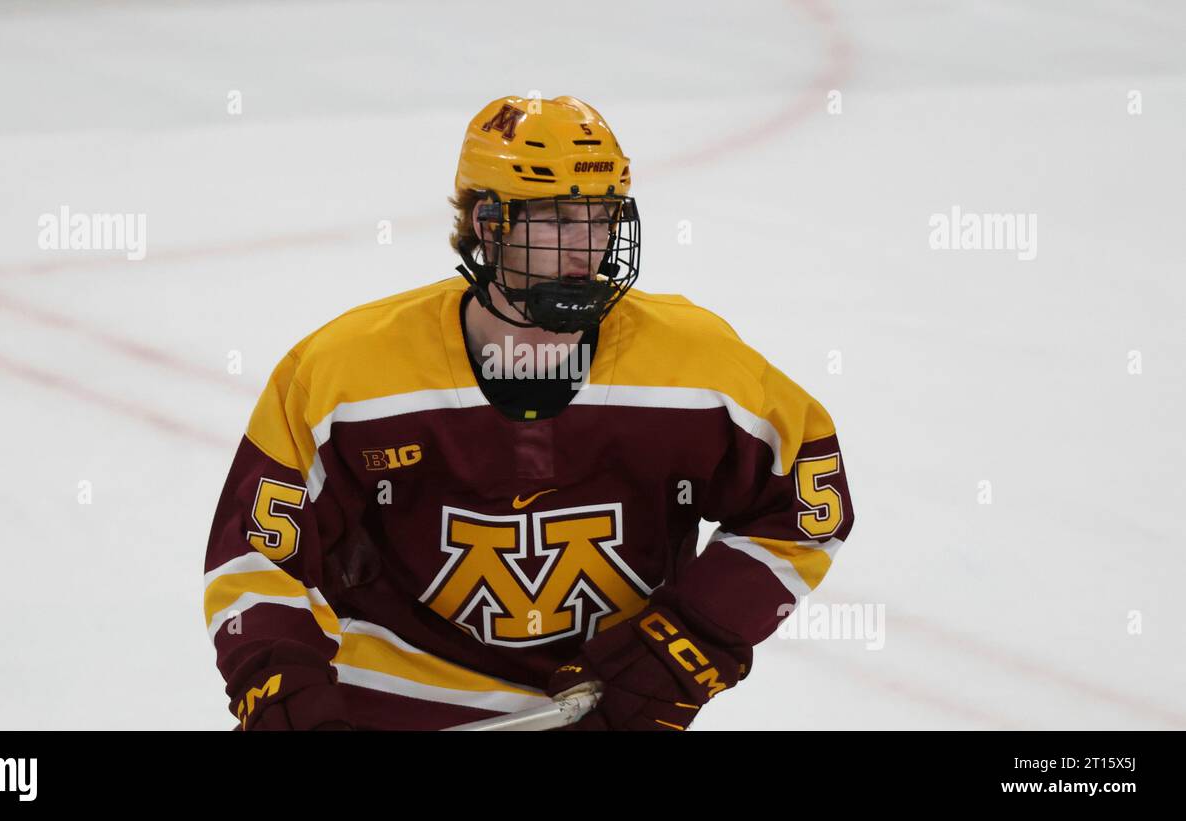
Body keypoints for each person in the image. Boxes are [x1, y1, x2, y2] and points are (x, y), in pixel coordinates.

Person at [203, 95, 856, 730]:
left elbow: (807, 507)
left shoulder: (698, 366)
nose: (586, 249)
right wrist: (283, 684)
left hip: (598, 713)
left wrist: (679, 651)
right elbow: (258, 554)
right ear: (487, 224)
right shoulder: (347, 370)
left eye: (603, 219)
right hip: (387, 710)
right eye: (557, 220)